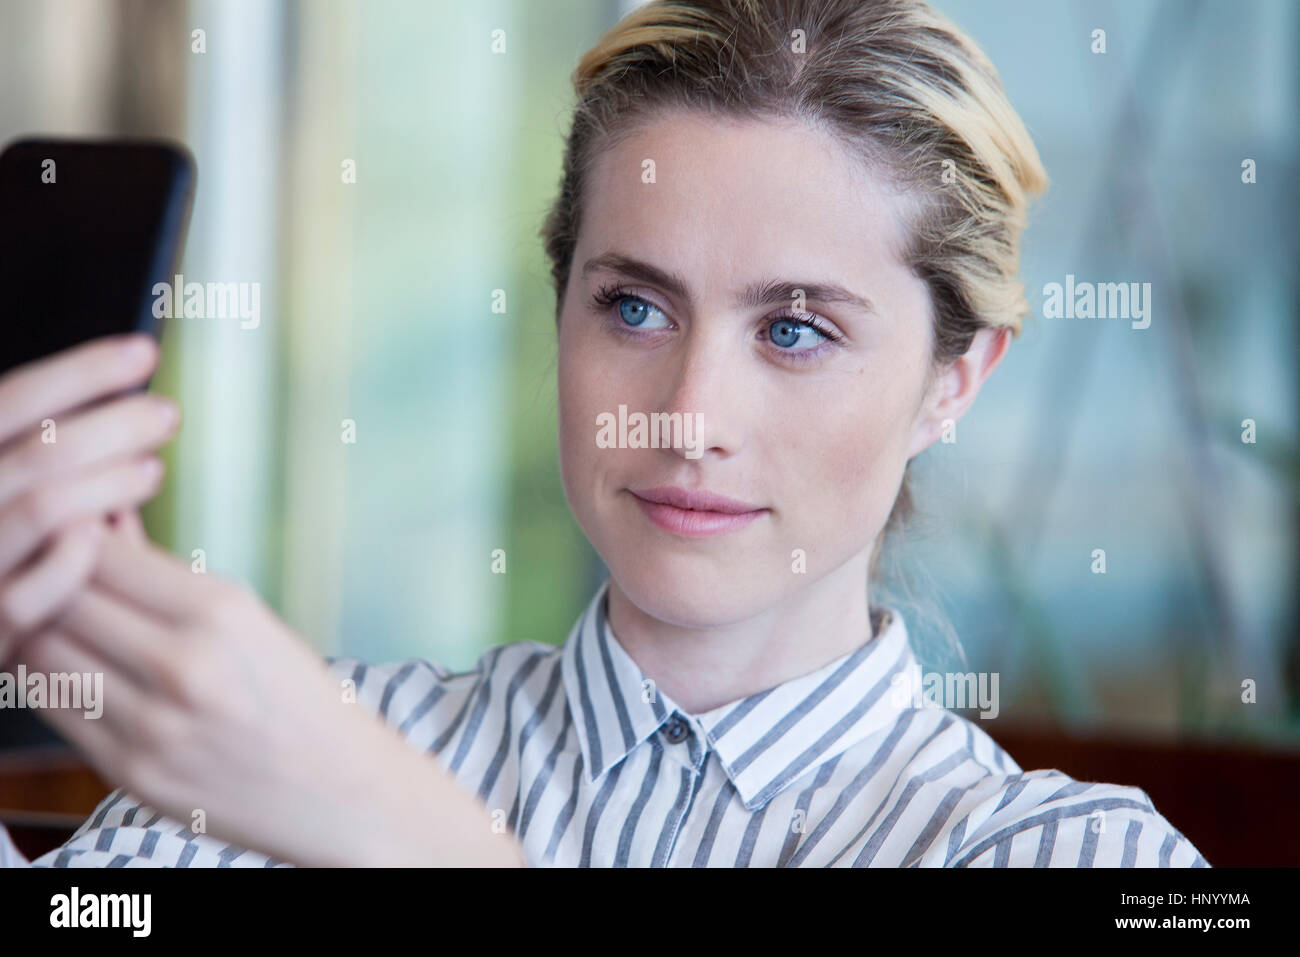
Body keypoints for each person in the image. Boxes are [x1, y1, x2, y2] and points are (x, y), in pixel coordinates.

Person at [0, 0, 1207, 867]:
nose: (685, 418)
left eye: (795, 331)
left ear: (957, 379)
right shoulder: (278, 735)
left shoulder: (1078, 855)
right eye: (634, 306)